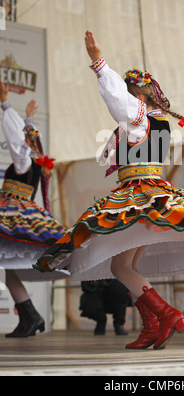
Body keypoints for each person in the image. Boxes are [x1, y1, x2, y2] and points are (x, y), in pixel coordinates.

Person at [34, 30, 184, 350]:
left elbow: (120, 103)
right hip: (152, 196)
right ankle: (152, 326)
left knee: (120, 267)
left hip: (138, 197)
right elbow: (118, 141)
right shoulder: (156, 122)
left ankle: (166, 314)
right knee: (126, 267)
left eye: (132, 97)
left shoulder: (139, 116)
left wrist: (99, 64)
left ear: (140, 99)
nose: (129, 102)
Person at [0, 80, 66, 337]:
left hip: (11, 212)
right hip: (22, 211)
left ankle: (31, 316)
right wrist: (28, 119)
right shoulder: (38, 163)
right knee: (7, 269)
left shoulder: (23, 163)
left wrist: (6, 106)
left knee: (7, 270)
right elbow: (26, 141)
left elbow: (17, 142)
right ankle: (30, 316)